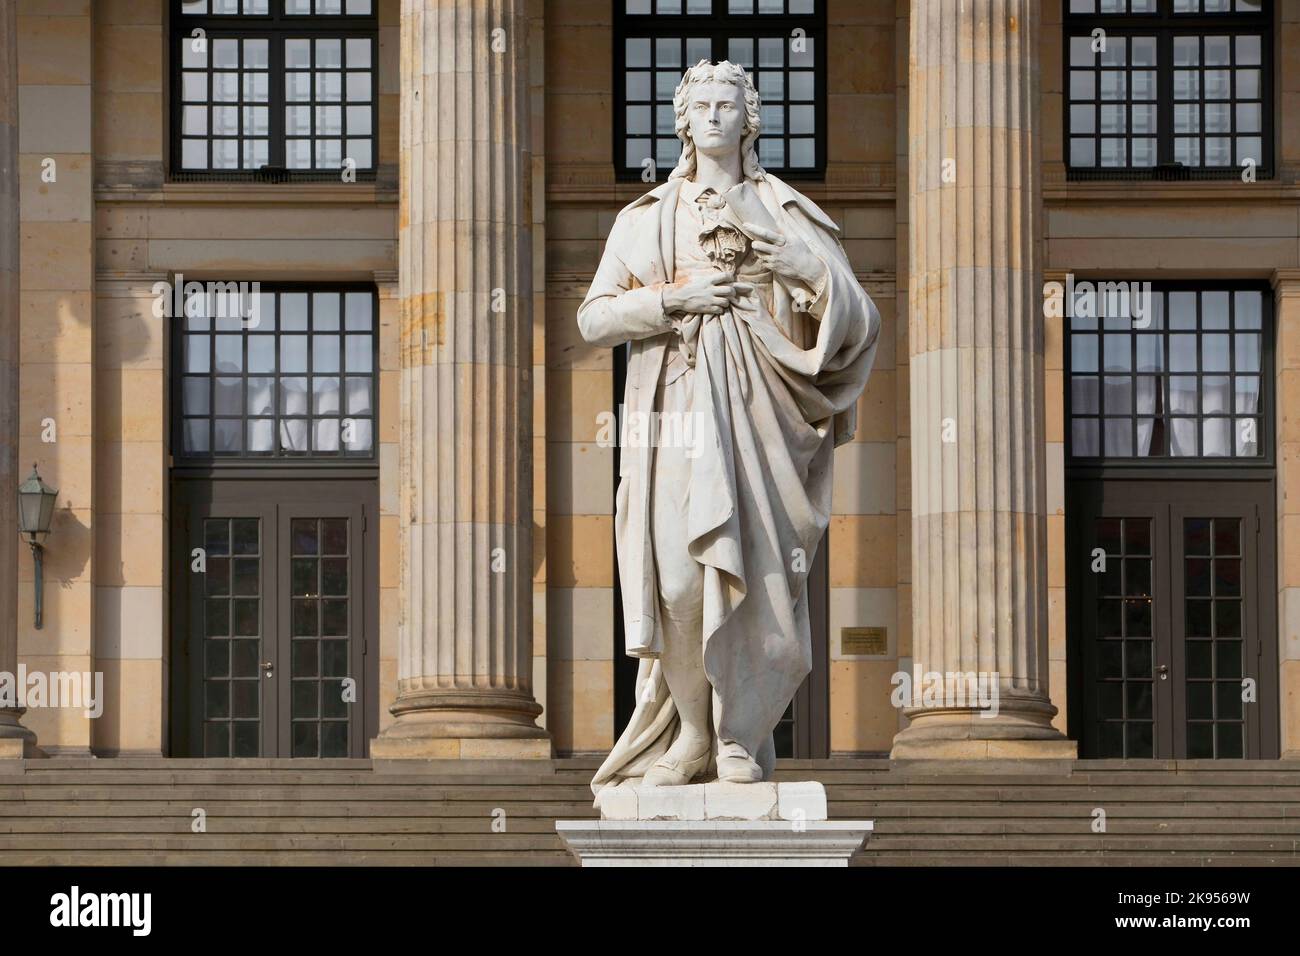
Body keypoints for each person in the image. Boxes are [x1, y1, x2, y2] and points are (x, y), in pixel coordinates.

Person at [578, 60, 879, 798]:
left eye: (728, 103)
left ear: (751, 118)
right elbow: (593, 317)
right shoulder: (645, 217)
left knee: (764, 581)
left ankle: (743, 735)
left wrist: (805, 267)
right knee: (678, 579)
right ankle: (692, 731)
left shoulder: (787, 211)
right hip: (673, 407)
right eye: (700, 105)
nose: (713, 115)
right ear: (682, 121)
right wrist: (671, 298)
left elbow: (860, 321)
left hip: (761, 415)